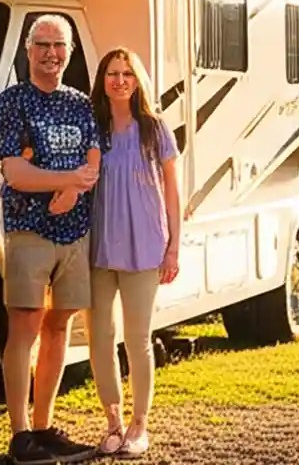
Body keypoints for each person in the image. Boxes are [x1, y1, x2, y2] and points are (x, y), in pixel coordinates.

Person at [0, 14, 103, 464]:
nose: (51, 54)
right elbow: (15, 173)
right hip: (28, 229)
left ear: (70, 52)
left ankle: (44, 426)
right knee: (26, 325)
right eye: (42, 45)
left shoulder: (79, 103)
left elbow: (92, 161)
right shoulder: (11, 102)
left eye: (59, 46)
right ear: (28, 50)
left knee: (59, 326)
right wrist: (64, 179)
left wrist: (70, 187)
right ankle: (20, 436)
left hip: (74, 231)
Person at [85, 46, 182, 457]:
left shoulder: (154, 128)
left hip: (145, 247)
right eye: (112, 73)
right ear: (102, 80)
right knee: (99, 337)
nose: (119, 80)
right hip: (99, 247)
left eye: (127, 72)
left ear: (137, 79)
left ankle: (139, 426)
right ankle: (112, 422)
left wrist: (174, 246)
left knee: (137, 338)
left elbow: (173, 192)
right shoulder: (92, 126)